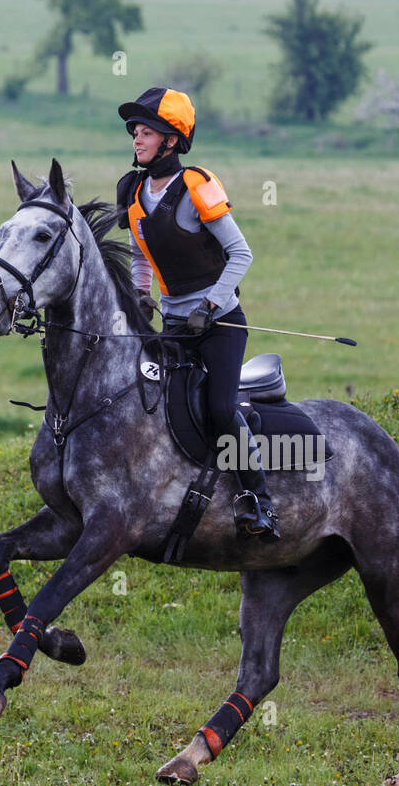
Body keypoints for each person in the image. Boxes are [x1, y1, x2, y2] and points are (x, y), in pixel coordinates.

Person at [115, 87, 279, 540]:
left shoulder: (196, 186)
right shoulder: (132, 191)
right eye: (135, 132)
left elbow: (241, 253)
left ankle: (258, 499)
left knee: (220, 408)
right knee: (158, 403)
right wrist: (141, 296)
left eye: (146, 132)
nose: (137, 139)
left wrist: (209, 307)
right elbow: (141, 258)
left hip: (219, 324)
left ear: (171, 140)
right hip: (173, 325)